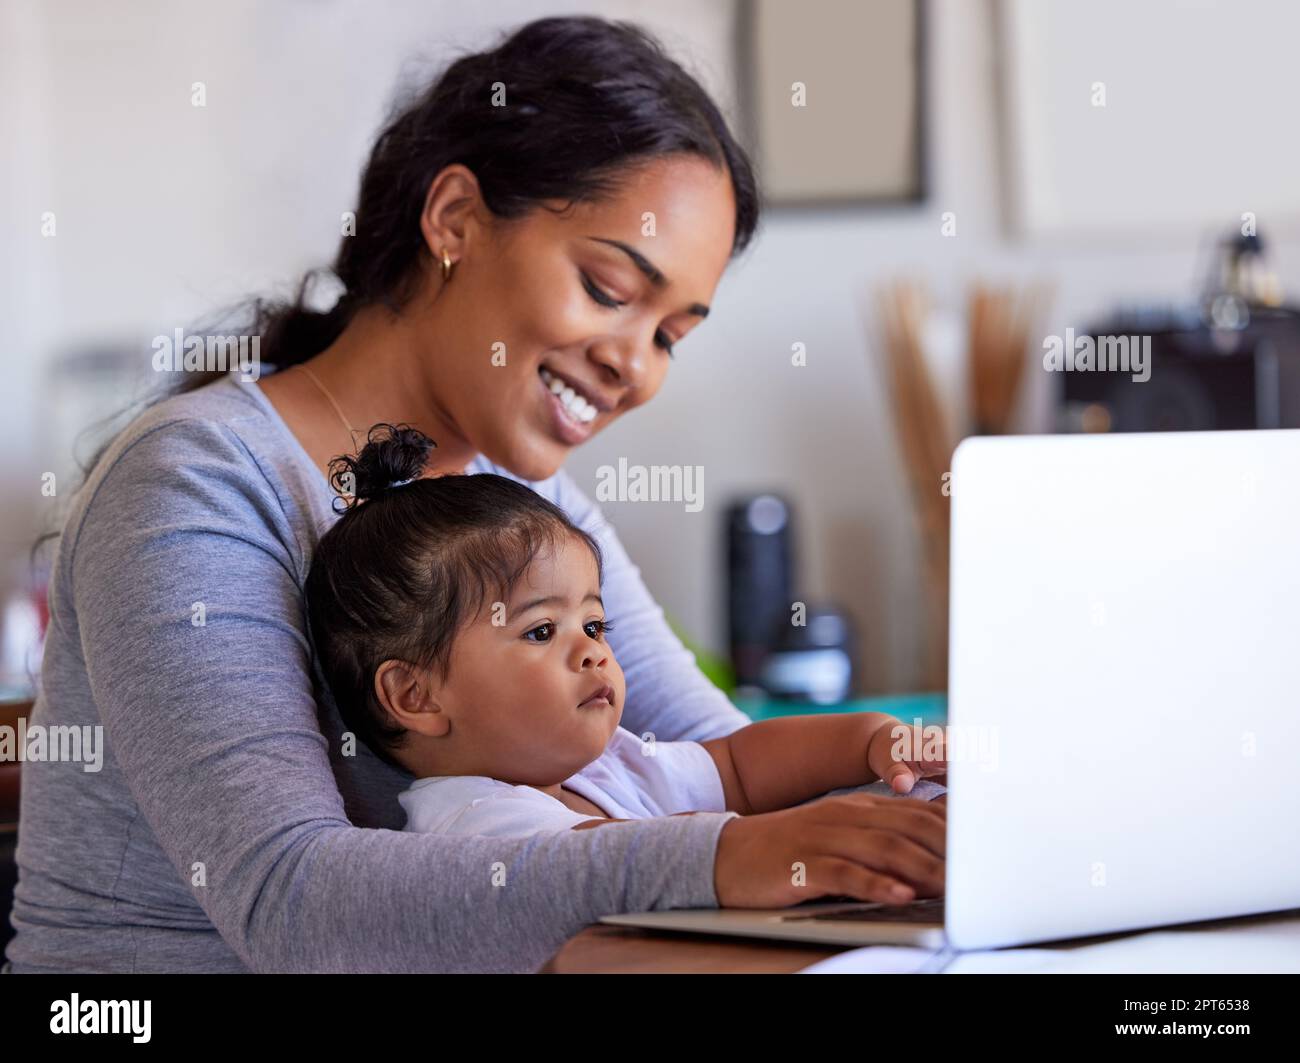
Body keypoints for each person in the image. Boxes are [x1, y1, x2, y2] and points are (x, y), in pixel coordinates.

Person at [5, 15, 944, 974]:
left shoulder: (519, 499)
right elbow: (293, 899)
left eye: (670, 335)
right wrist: (725, 855)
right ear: (454, 218)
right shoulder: (198, 484)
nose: (634, 365)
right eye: (610, 287)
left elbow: (722, 762)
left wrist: (922, 801)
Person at [303, 424, 948, 841]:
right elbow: (602, 867)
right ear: (417, 697)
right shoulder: (474, 826)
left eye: (593, 622)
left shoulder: (610, 770)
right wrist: (791, 836)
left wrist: (873, 740)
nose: (591, 651)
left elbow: (742, 766)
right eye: (539, 631)